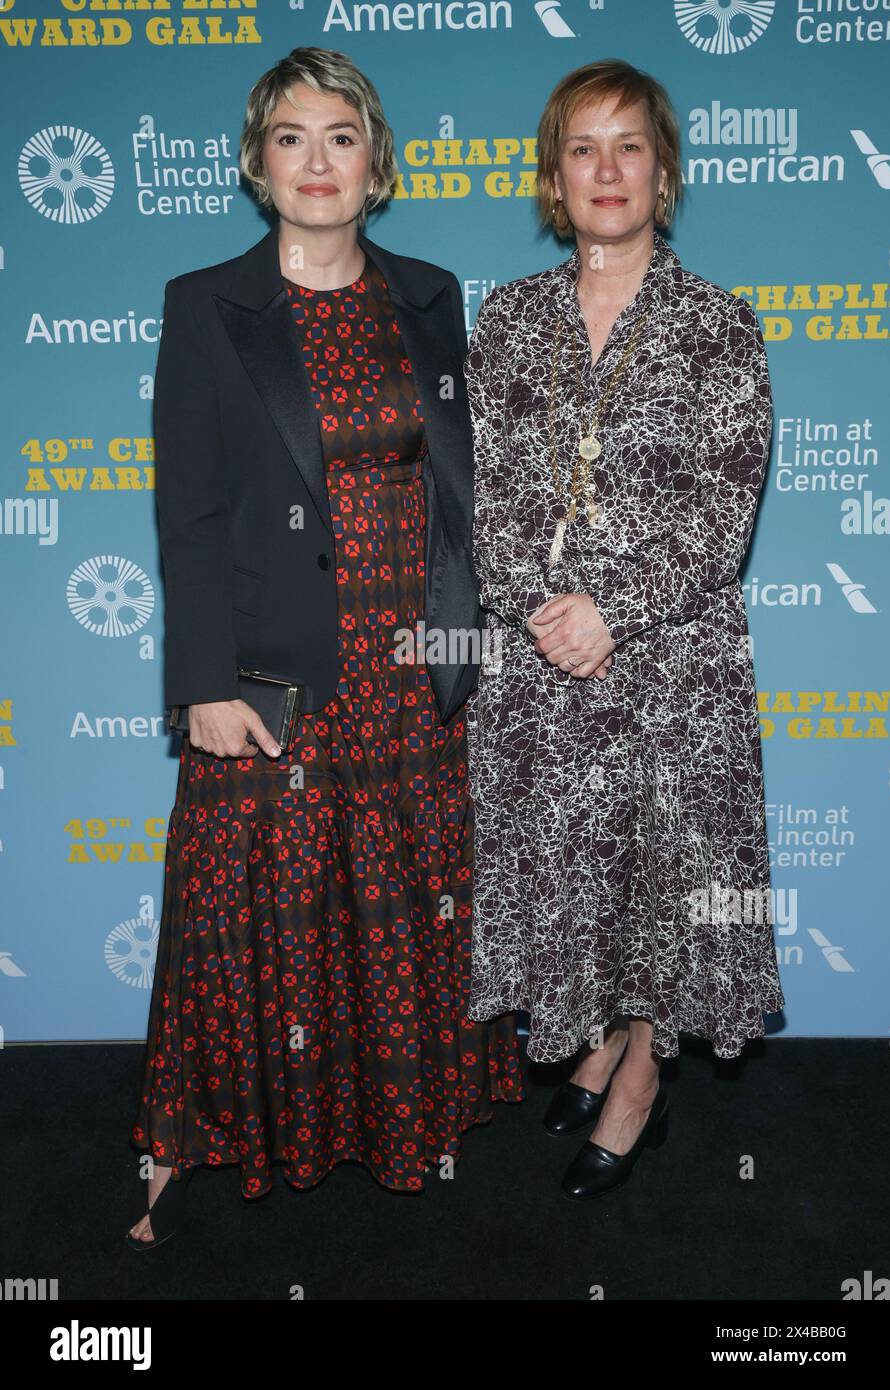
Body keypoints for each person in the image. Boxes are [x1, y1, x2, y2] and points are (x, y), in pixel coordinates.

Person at [126, 46, 523, 1250]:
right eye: (289, 137)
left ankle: (405, 1127)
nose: (315, 161)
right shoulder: (206, 305)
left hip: (413, 672)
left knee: (407, 898)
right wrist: (199, 682)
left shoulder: (430, 294)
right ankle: (191, 1139)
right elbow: (185, 513)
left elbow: (462, 500)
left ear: (375, 161)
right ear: (257, 164)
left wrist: (468, 653)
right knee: (248, 909)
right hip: (275, 677)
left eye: (339, 136)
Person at [463, 59, 785, 1200]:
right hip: (538, 662)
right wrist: (539, 611)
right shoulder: (503, 320)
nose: (606, 170)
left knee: (666, 874)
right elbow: (481, 492)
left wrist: (615, 610)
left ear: (664, 169)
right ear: (554, 176)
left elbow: (721, 508)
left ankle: (643, 1073)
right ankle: (591, 1040)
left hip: (673, 667)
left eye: (628, 146)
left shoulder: (717, 325)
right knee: (576, 875)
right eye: (581, 148)